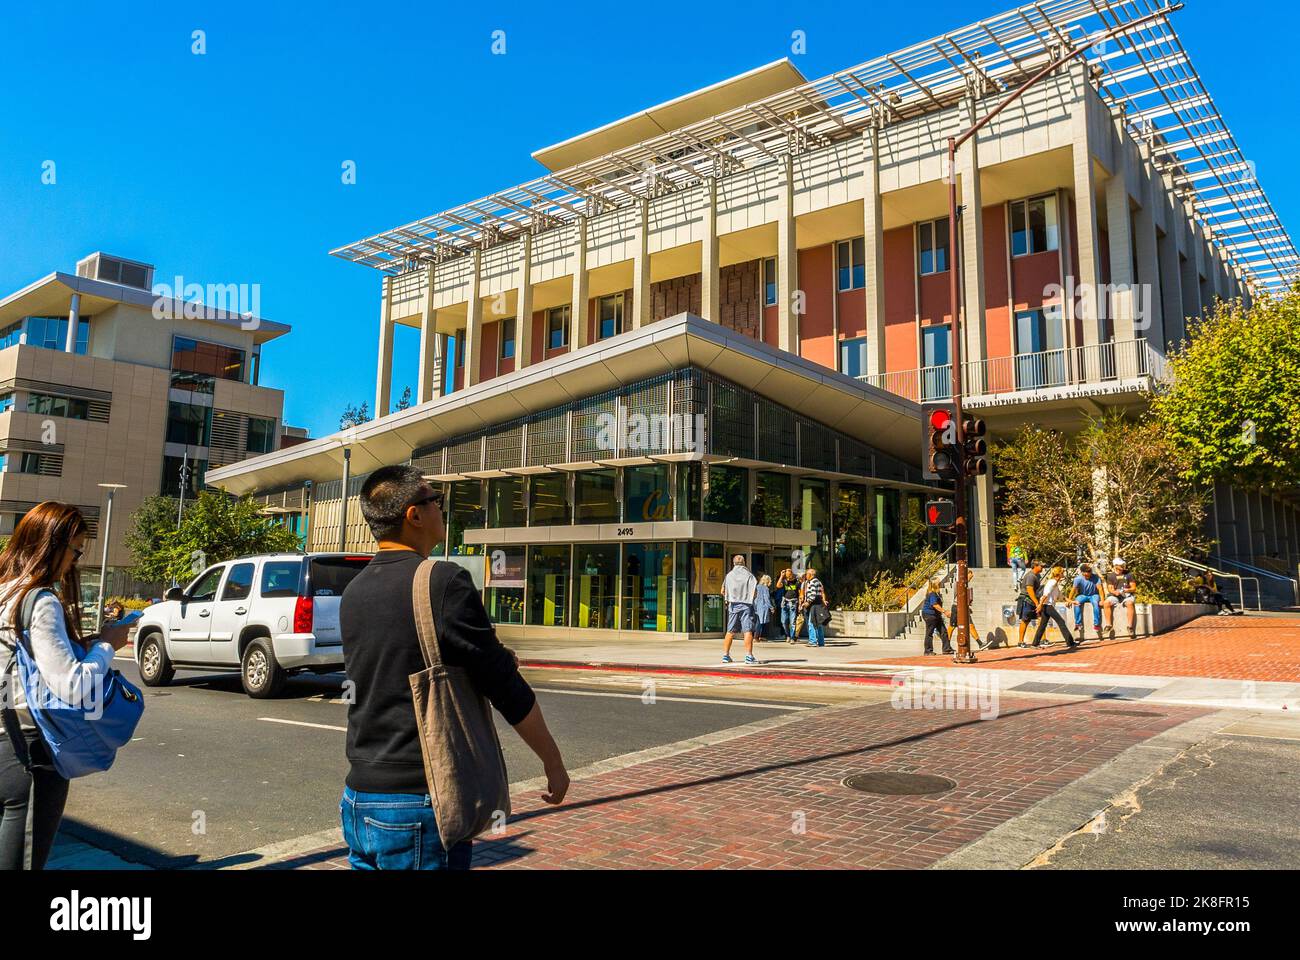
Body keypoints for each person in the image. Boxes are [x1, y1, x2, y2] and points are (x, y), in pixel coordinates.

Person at [339, 466, 568, 870]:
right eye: (435, 501)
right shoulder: (442, 581)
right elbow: (504, 686)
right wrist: (552, 760)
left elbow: (397, 666)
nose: (442, 510)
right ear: (414, 515)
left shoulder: (354, 591)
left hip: (360, 799)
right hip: (421, 803)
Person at [0, 502, 134, 871]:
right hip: (28, 753)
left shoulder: (3, 593)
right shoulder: (39, 601)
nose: (74, 561)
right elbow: (73, 685)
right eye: (74, 550)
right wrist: (108, 644)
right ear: (51, 544)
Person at [721, 555, 758, 664]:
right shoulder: (749, 575)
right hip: (746, 604)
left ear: (733, 563)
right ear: (744, 562)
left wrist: (730, 597)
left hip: (733, 604)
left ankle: (726, 655)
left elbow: (722, 590)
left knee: (730, 631)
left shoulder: (729, 575)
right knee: (747, 630)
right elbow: (754, 592)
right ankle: (749, 656)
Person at [1030, 565, 1077, 649]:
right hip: (1047, 606)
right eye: (1062, 572)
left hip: (1047, 606)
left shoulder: (1055, 583)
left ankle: (1035, 644)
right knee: (1061, 621)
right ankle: (1070, 643)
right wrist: (1040, 605)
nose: (1063, 574)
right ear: (1059, 574)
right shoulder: (1052, 582)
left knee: (1042, 625)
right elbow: (1045, 595)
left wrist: (1072, 602)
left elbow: (1062, 597)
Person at [947, 568, 984, 649]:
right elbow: (959, 595)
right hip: (957, 607)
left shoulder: (966, 584)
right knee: (952, 626)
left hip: (964, 607)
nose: (972, 577)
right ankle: (946, 645)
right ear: (966, 575)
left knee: (971, 625)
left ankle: (980, 643)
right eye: (970, 575)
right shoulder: (959, 583)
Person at [1103, 558, 1138, 640]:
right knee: (1106, 603)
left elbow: (1133, 587)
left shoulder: (1128, 574)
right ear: (1115, 566)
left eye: (1123, 565)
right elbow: (1110, 588)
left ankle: (1130, 627)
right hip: (1115, 596)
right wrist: (1115, 592)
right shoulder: (1110, 576)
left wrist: (1127, 590)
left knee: (1130, 603)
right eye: (1120, 565)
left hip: (1127, 595)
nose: (1123, 566)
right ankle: (1108, 625)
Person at [1068, 562, 1103, 641]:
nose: (1089, 573)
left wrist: (1102, 600)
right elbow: (1073, 590)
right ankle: (1078, 624)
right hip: (1083, 595)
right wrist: (1069, 600)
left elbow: (1100, 589)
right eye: (1087, 572)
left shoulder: (1096, 577)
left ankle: (1096, 624)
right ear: (1083, 572)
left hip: (1094, 595)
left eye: (1090, 571)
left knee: (1095, 603)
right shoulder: (1078, 579)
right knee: (1076, 602)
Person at [1016, 560, 1044, 648]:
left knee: (1041, 618)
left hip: (1033, 600)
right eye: (1041, 566)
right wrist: (1036, 602)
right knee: (1025, 620)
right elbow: (1029, 590)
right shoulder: (1031, 576)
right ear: (1035, 566)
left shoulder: (1037, 575)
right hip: (1027, 600)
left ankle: (1043, 640)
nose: (1043, 568)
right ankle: (1020, 642)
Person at [921, 578, 951, 656]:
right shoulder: (932, 594)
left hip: (936, 615)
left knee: (943, 631)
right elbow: (934, 604)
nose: (941, 584)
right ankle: (928, 651)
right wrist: (944, 611)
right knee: (929, 633)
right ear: (936, 585)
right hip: (929, 615)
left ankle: (947, 649)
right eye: (939, 583)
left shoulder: (936, 593)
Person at [801, 568, 828, 648]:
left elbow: (813, 594)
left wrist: (807, 602)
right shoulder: (818, 581)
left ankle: (812, 641)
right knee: (818, 623)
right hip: (818, 604)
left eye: (807, 574)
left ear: (811, 574)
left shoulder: (813, 582)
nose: (806, 575)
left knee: (811, 623)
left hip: (814, 605)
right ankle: (821, 642)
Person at [775, 569, 801, 643]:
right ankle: (788, 635)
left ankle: (792, 638)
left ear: (792, 575)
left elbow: (800, 592)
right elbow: (778, 585)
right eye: (787, 576)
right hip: (785, 602)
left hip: (793, 602)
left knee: (792, 621)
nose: (788, 578)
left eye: (789, 576)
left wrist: (800, 603)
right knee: (783, 621)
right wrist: (781, 576)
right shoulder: (785, 581)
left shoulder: (797, 582)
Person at [754, 574, 775, 641]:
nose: (770, 583)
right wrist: (771, 607)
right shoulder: (765, 588)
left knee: (758, 621)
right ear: (767, 581)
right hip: (763, 606)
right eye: (770, 581)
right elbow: (766, 599)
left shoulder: (757, 586)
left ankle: (759, 636)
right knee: (761, 622)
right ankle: (756, 637)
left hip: (756, 606)